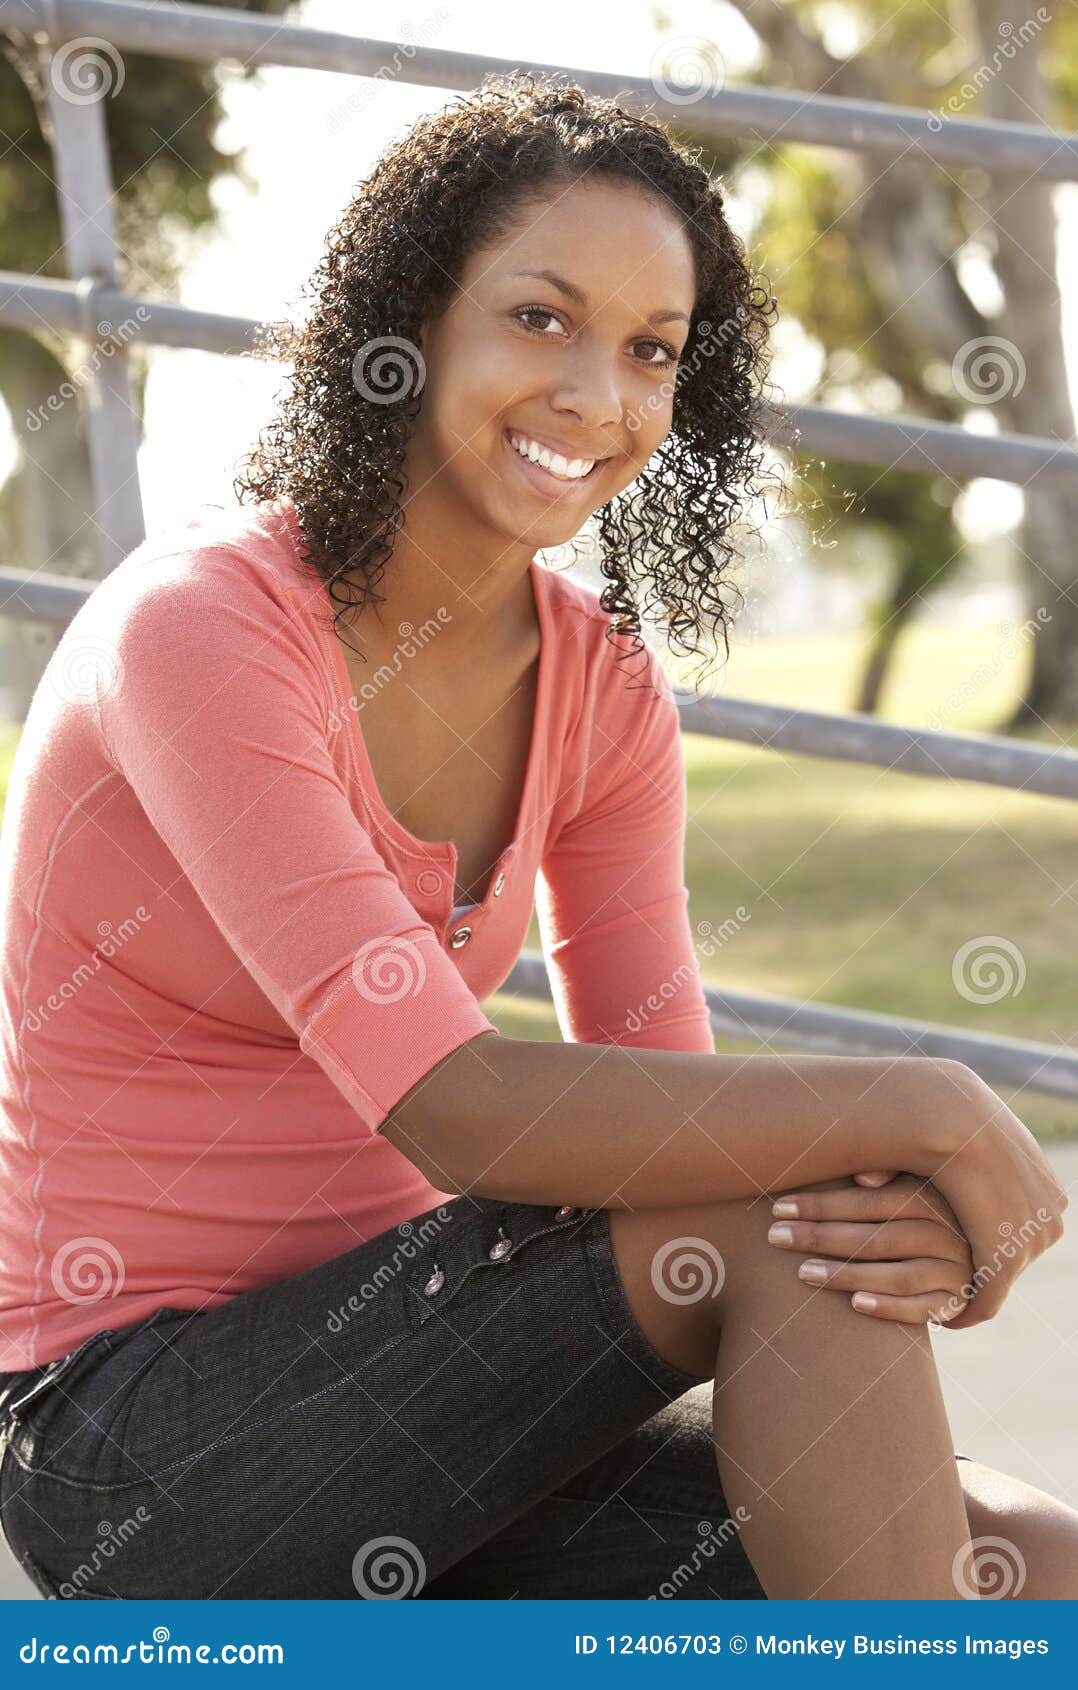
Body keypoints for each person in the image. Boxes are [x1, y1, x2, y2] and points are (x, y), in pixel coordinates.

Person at [0, 72, 1072, 1603]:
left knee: (1026, 1563)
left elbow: (680, 1126)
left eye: (650, 351)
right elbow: (459, 1109)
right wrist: (923, 1103)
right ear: (415, 319)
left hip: (434, 1396)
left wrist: (882, 1221)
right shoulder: (208, 634)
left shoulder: (601, 689)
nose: (599, 395)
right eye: (541, 319)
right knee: (783, 1209)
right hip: (141, 1447)